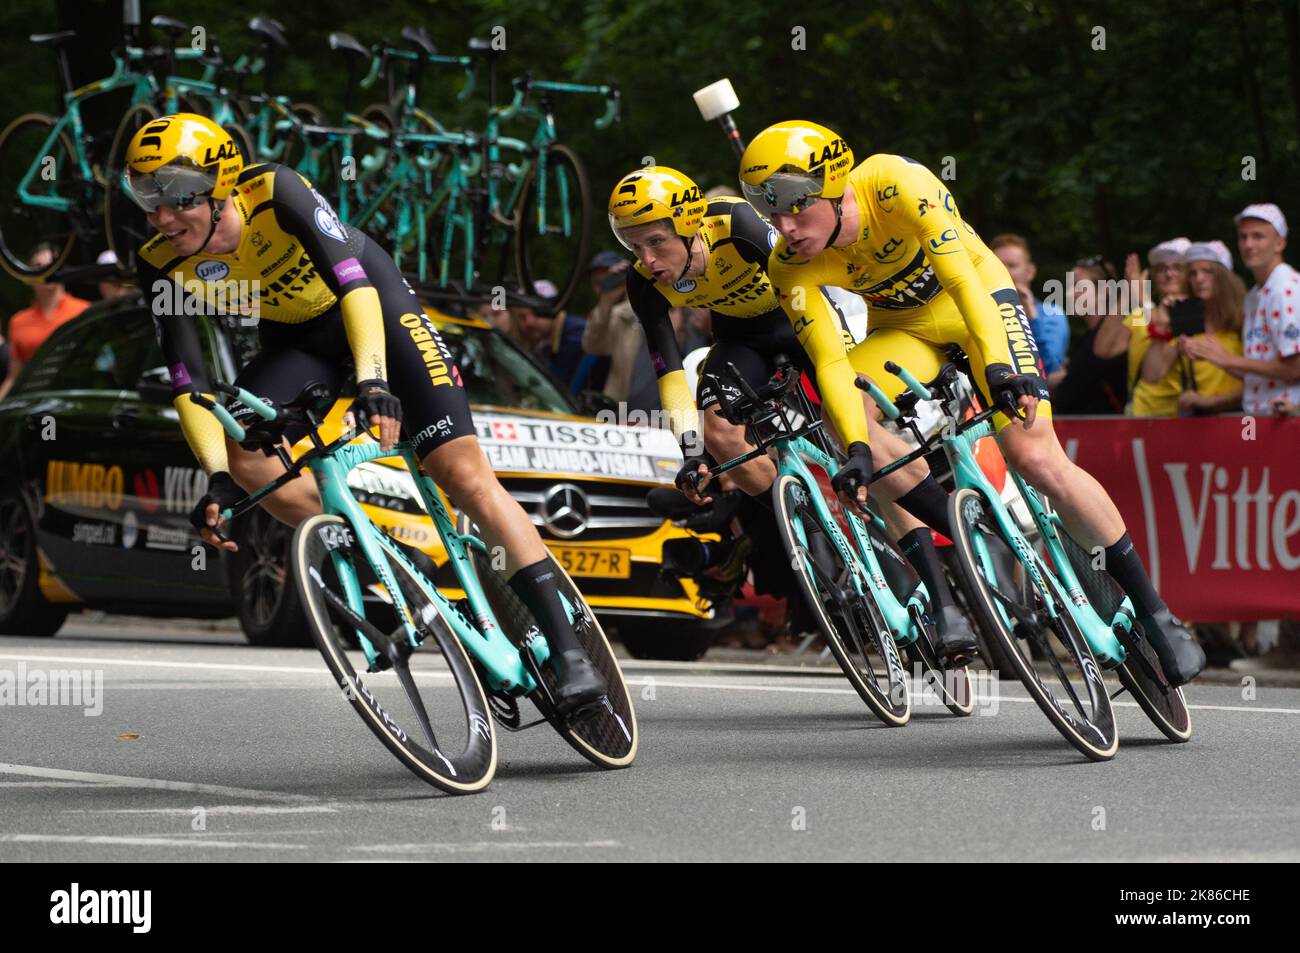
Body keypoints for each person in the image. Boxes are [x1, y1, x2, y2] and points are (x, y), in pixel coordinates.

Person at [122, 113, 606, 713]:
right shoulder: (158, 261)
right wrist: (216, 475)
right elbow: (189, 382)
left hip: (375, 308)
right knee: (246, 457)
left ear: (221, 186)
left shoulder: (276, 191)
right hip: (300, 343)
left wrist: (374, 382)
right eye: (147, 198)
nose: (161, 217)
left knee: (462, 474)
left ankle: (570, 653)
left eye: (175, 198)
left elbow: (355, 287)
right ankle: (392, 556)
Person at [739, 120, 1205, 686]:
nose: (785, 227)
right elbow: (832, 362)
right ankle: (953, 541)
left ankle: (1156, 611)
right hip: (904, 329)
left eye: (795, 208)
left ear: (835, 186)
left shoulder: (896, 183)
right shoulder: (788, 264)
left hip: (977, 303)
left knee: (1035, 458)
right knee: (843, 418)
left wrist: (1001, 369)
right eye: (769, 212)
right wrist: (858, 448)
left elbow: (964, 282)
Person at [607, 165, 978, 662]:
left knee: (852, 428)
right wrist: (690, 453)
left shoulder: (737, 225)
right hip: (742, 339)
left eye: (656, 242)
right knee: (717, 431)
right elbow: (670, 373)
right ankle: (814, 528)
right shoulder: (644, 283)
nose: (647, 259)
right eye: (634, 247)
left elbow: (810, 278)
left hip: (806, 319)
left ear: (689, 223)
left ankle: (947, 589)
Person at [1182, 203, 1300, 417]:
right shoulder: (1254, 295)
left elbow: (1295, 368)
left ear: (1280, 243)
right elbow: (1258, 375)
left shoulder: (1285, 289)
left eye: (1258, 236)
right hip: (1263, 419)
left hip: (1288, 421)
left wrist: (1229, 360)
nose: (1248, 244)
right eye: (1243, 237)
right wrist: (1214, 356)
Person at [1138, 241, 1243, 416]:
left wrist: (1211, 402)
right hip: (1198, 421)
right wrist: (1162, 324)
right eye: (1193, 273)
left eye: (1208, 271)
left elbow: (1261, 380)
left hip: (1243, 417)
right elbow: (1151, 376)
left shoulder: (1243, 318)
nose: (1199, 279)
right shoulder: (1187, 316)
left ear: (1224, 276)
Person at [0, 244, 91, 401]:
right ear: (28, 275)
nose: (46, 271)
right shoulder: (18, 321)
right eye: (38, 267)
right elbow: (14, 377)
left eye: (51, 265)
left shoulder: (84, 311)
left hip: (76, 400)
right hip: (34, 404)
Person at [1051, 257, 1129, 414]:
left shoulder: (1117, 336)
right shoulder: (1087, 338)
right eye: (1069, 287)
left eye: (1079, 286)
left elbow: (1070, 392)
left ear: (1106, 290)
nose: (1068, 294)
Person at [1123, 238, 1191, 416]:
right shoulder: (1138, 316)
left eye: (1178, 267)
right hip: (1140, 414)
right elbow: (1104, 350)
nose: (1169, 274)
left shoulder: (1198, 315)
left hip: (1185, 419)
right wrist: (1126, 294)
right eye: (1161, 269)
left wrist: (1143, 299)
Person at [988, 233, 1068, 375]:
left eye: (1012, 265)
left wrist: (1031, 317)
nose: (1003, 271)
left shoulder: (1051, 313)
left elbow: (1049, 366)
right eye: (998, 265)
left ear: (1030, 271)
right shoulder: (983, 310)